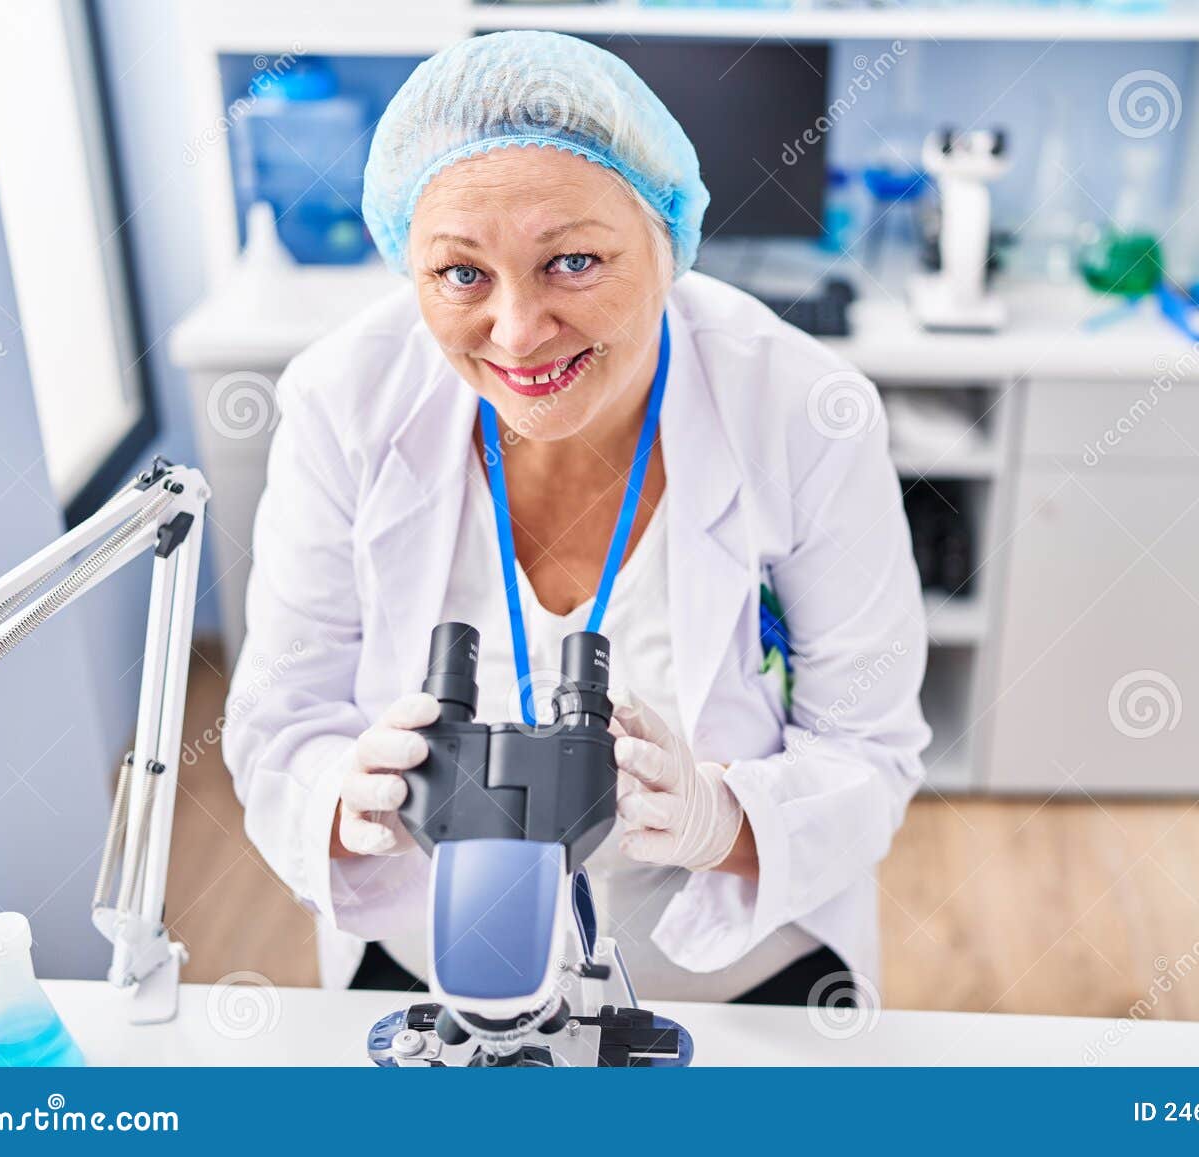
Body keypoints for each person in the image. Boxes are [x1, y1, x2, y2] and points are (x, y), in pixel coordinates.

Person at [223, 30, 929, 1005]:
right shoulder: (344, 401)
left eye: (573, 261)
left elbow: (868, 747)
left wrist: (716, 818)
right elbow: (281, 724)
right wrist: (347, 795)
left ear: (666, 239)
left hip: (732, 958)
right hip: (442, 950)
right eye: (460, 273)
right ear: (408, 262)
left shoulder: (804, 410)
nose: (516, 331)